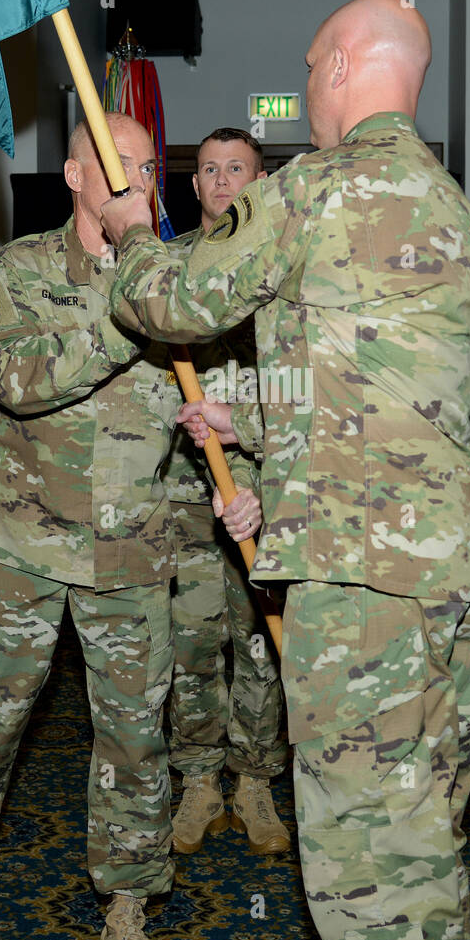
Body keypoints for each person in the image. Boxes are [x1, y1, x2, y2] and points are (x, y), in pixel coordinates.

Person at [99, 0, 470, 940]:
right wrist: (259, 420)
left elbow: (173, 303)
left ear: (335, 69)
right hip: (453, 566)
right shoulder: (462, 213)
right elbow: (385, 393)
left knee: (365, 862)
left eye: (310, 70)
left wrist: (129, 227)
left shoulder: (313, 191)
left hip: (361, 576)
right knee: (424, 827)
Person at [0, 113, 187, 940]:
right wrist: (128, 313)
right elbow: (15, 379)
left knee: (137, 739)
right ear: (73, 175)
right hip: (16, 545)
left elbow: (226, 401)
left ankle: (128, 905)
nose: (136, 185)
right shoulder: (16, 272)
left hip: (132, 547)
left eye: (146, 169)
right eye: (116, 169)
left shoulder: (182, 284)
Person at [163, 128, 289, 857]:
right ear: (194, 184)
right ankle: (200, 780)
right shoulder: (169, 271)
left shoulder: (279, 270)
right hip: (183, 488)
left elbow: (308, 394)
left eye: (234, 168)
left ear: (258, 179)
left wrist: (267, 477)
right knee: (193, 641)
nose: (219, 181)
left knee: (261, 641)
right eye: (207, 169)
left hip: (269, 483)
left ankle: (254, 780)